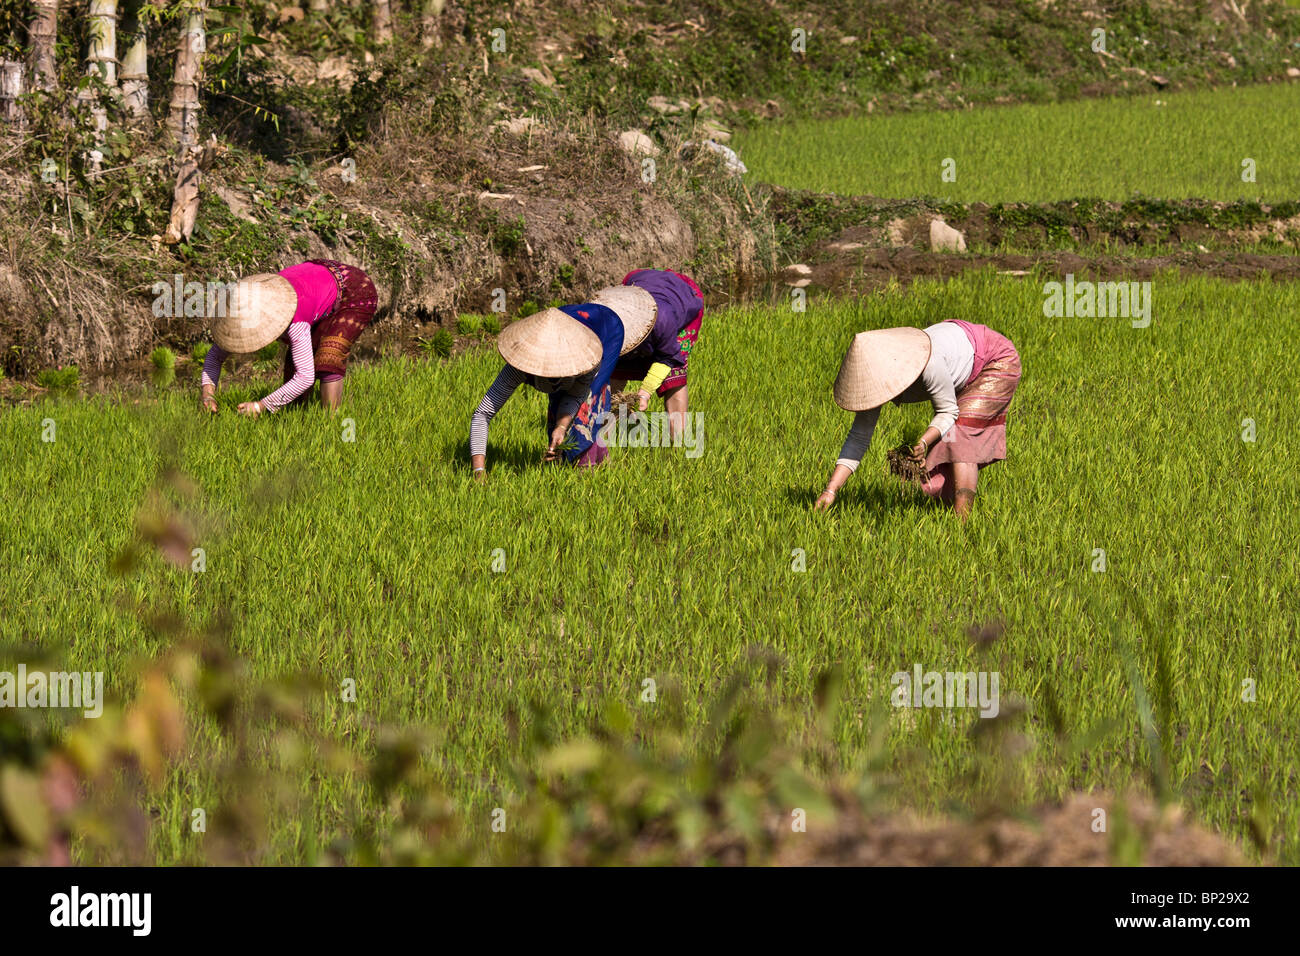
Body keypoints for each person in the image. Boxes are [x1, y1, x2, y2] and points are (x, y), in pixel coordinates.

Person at [814, 320, 1022, 519]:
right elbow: (859, 436)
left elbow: (947, 412)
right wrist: (831, 490)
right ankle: (945, 511)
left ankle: (962, 526)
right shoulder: (876, 378)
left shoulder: (928, 362)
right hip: (961, 353)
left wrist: (924, 441)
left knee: (960, 438)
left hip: (995, 359)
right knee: (947, 441)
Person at [468, 293, 653, 478]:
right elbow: (482, 414)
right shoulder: (518, 366)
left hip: (606, 329)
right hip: (559, 321)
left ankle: (587, 469)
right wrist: (479, 471)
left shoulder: (586, 359)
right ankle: (563, 458)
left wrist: (562, 427)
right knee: (558, 406)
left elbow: (576, 396)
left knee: (587, 407)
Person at [200, 259, 377, 416]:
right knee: (294, 365)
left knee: (330, 355)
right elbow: (215, 357)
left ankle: (331, 420)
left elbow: (306, 376)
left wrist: (260, 406)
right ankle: (297, 415)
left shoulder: (294, 320)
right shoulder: (243, 311)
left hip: (352, 289)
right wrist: (208, 396)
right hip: (315, 287)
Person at [609, 268, 704, 439]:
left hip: (682, 297)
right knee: (616, 366)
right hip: (641, 281)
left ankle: (678, 441)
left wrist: (645, 393)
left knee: (674, 374)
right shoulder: (610, 316)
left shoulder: (663, 319)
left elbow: (667, 358)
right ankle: (606, 433)